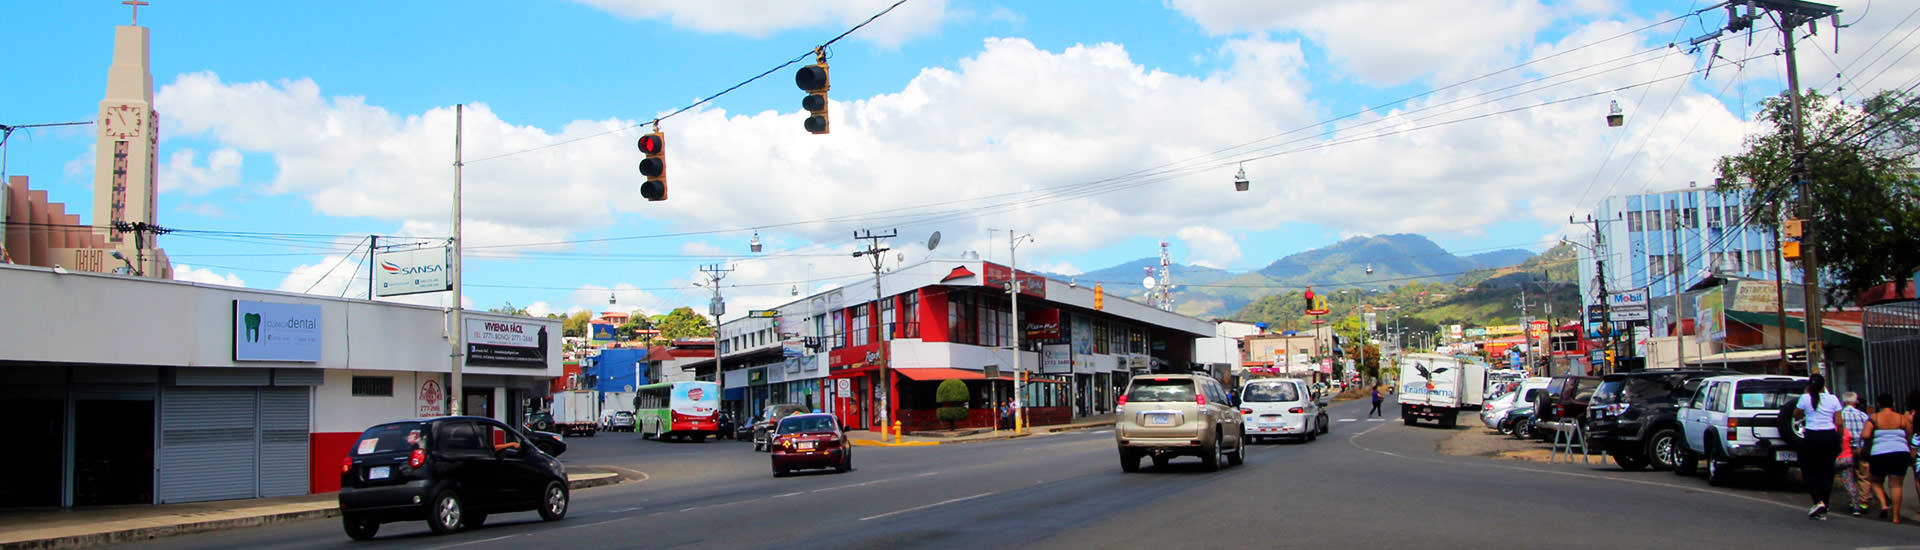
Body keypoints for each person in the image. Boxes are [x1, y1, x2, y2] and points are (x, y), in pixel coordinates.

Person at [1792, 373, 1845, 520]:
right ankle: (1824, 506)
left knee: (1808, 470)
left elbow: (1796, 415)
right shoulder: (1833, 399)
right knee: (1827, 472)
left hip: (1812, 436)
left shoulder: (1805, 398)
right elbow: (1839, 422)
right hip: (1829, 436)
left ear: (1809, 386)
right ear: (1824, 386)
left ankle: (1818, 501)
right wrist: (1840, 439)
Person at [1867, 392, 1916, 523]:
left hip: (1879, 453)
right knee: (1896, 485)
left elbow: (1865, 434)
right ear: (1893, 404)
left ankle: (1883, 504)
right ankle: (1896, 517)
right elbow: (1910, 436)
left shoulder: (1874, 418)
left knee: (1875, 481)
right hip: (1900, 452)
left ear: (1878, 404)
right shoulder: (1902, 419)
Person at [1839, 392, 1873, 517]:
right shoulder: (1863, 415)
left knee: (1849, 477)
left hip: (1846, 451)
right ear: (1856, 402)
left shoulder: (1839, 416)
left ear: (1844, 402)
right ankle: (1864, 502)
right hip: (1861, 448)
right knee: (1864, 476)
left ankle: (1853, 502)